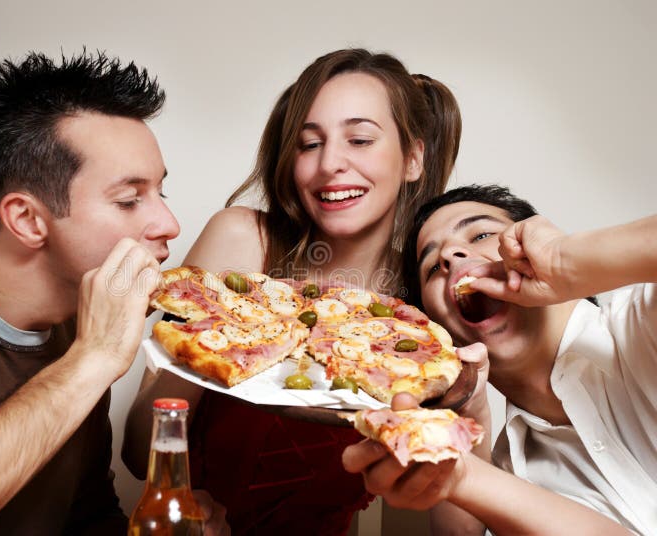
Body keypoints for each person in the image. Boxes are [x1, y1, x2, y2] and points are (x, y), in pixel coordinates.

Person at [0, 50, 233, 535]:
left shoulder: (79, 322)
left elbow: (86, 517)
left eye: (162, 193)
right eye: (128, 199)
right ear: (27, 219)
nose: (170, 225)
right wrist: (92, 358)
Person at [123, 48, 462, 534]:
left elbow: (437, 520)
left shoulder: (422, 315)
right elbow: (137, 451)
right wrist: (211, 337)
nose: (330, 165)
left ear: (413, 158)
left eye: (360, 139)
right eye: (309, 144)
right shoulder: (243, 242)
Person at [342, 184, 656, 535]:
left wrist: (566, 260)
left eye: (482, 234)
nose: (451, 255)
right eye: (432, 268)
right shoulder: (511, 470)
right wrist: (463, 457)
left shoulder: (642, 321)